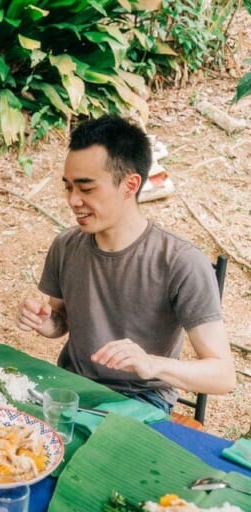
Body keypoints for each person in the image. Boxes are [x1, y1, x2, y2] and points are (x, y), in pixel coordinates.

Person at [16, 115, 235, 413]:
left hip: (140, 399)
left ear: (130, 185)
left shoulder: (180, 262)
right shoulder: (66, 245)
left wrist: (151, 364)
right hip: (72, 386)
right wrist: (44, 321)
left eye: (86, 189)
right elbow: (60, 321)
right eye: (68, 187)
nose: (73, 200)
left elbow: (223, 375)